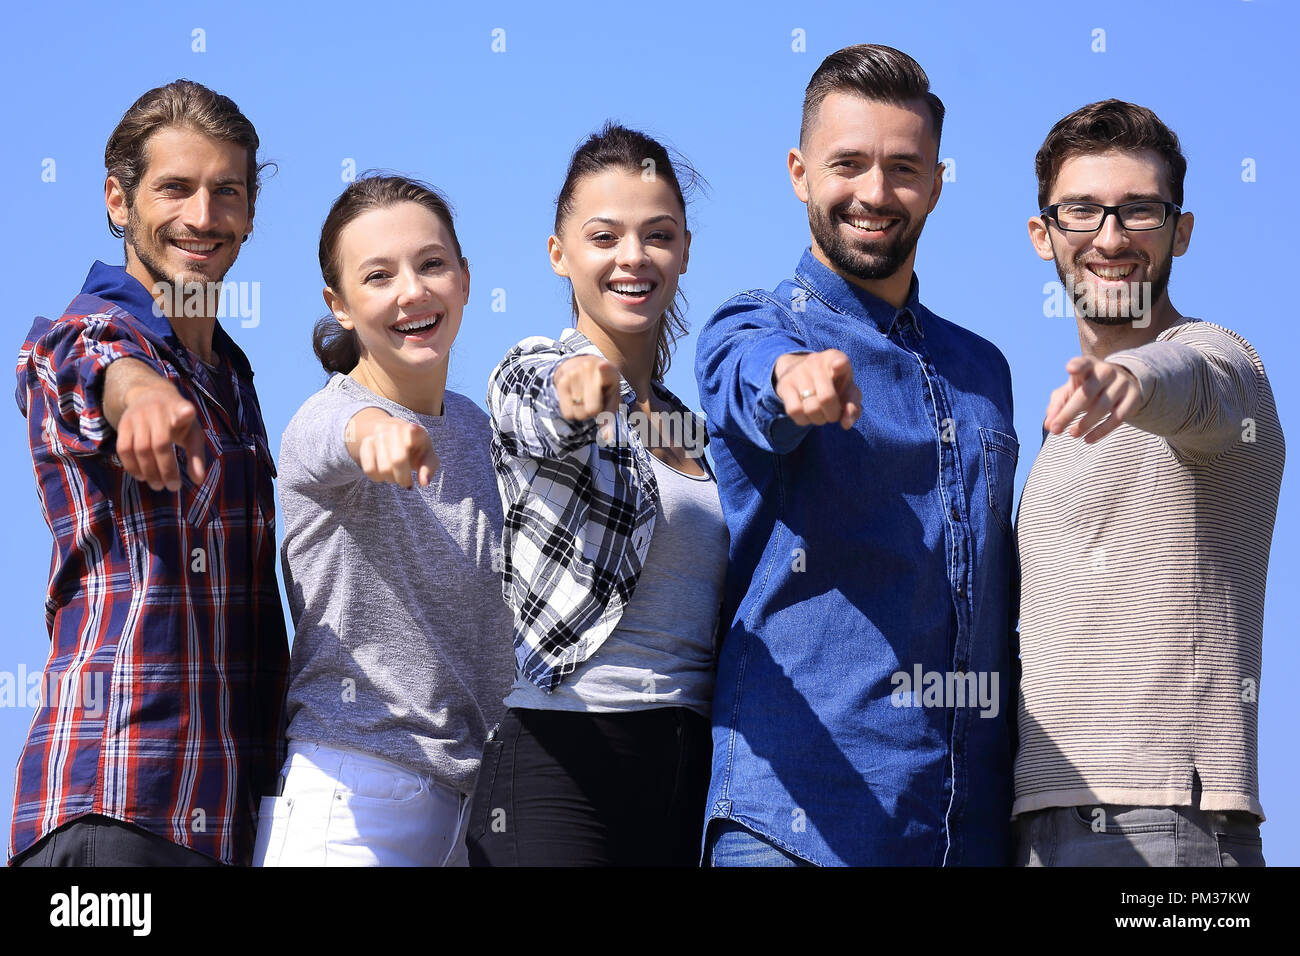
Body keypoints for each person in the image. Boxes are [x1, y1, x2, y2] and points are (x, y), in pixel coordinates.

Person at [695, 44, 1019, 866]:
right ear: (801, 172)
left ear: (938, 183)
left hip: (960, 836)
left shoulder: (984, 372)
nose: (876, 194)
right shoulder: (757, 323)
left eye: (903, 168)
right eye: (849, 164)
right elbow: (749, 380)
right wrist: (792, 382)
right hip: (790, 826)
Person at [9, 80, 287, 867]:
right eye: (174, 188)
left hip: (230, 823)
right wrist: (136, 391)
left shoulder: (233, 377)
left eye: (225, 191)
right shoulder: (89, 332)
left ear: (250, 212)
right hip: (115, 807)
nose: (203, 217)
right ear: (117, 199)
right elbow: (79, 360)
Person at [1013, 100, 1284, 867]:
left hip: (1169, 819)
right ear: (1044, 235)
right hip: (1036, 817)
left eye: (1139, 210)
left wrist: (1132, 374)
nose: (1110, 236)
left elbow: (1197, 381)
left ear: (1181, 230)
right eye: (1083, 211)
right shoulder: (1060, 429)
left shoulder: (1220, 359)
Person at [466, 123, 728, 867]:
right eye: (604, 236)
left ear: (682, 251)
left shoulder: (696, 432)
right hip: (564, 758)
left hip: (687, 769)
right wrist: (577, 391)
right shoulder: (536, 365)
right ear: (561, 254)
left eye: (658, 235)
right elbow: (532, 399)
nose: (632, 258)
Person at [253, 175, 514, 867]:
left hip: (471, 813)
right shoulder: (326, 415)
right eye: (379, 276)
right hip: (354, 798)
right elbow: (339, 433)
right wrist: (377, 434)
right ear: (339, 306)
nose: (412, 291)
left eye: (431, 265)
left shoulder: (480, 433)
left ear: (463, 277)